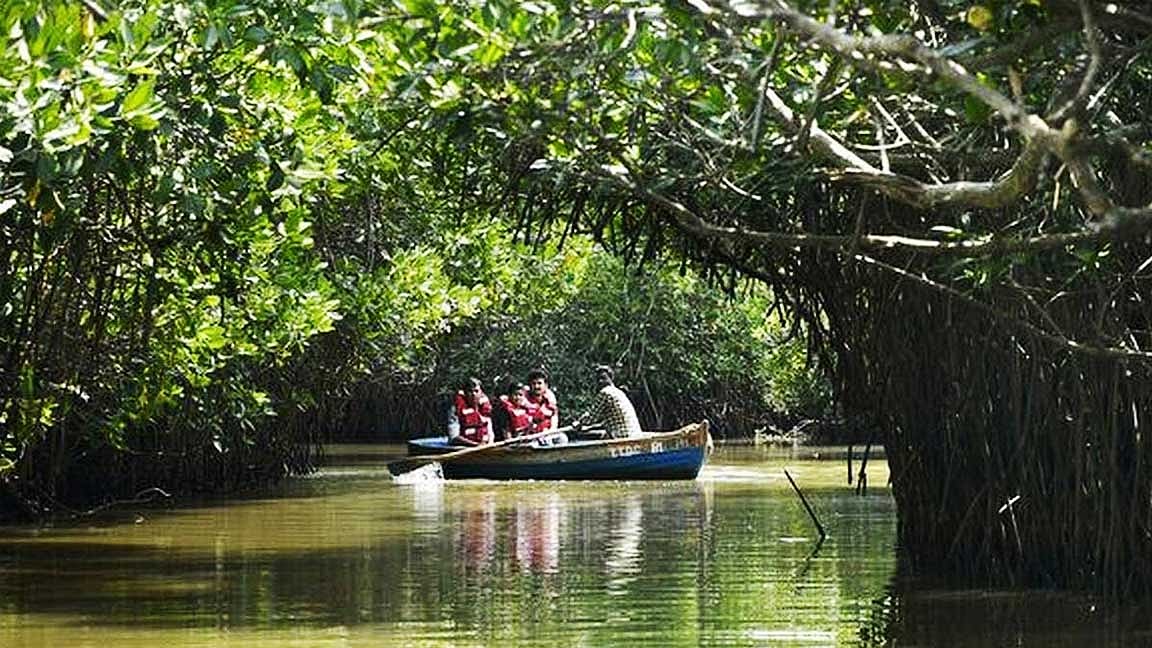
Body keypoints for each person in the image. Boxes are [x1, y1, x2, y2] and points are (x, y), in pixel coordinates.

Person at [573, 364, 642, 439]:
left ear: (611, 378)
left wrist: (579, 422)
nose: (600, 381)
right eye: (598, 379)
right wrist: (589, 428)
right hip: (633, 435)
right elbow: (606, 423)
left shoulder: (605, 392)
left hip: (621, 437)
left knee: (582, 437)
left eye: (603, 378)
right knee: (601, 434)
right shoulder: (618, 392)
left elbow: (591, 419)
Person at [451, 377, 493, 446]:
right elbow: (453, 438)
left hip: (484, 446)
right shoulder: (455, 408)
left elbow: (490, 432)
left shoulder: (484, 407)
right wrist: (476, 445)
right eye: (470, 391)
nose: (473, 394)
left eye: (476, 391)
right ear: (465, 393)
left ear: (481, 392)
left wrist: (490, 444)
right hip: (464, 447)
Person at [525, 368, 559, 433]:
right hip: (531, 435)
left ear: (546, 385)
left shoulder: (550, 400)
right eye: (534, 384)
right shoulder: (523, 400)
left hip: (547, 434)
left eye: (539, 383)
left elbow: (554, 418)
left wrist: (551, 431)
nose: (536, 386)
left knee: (562, 438)